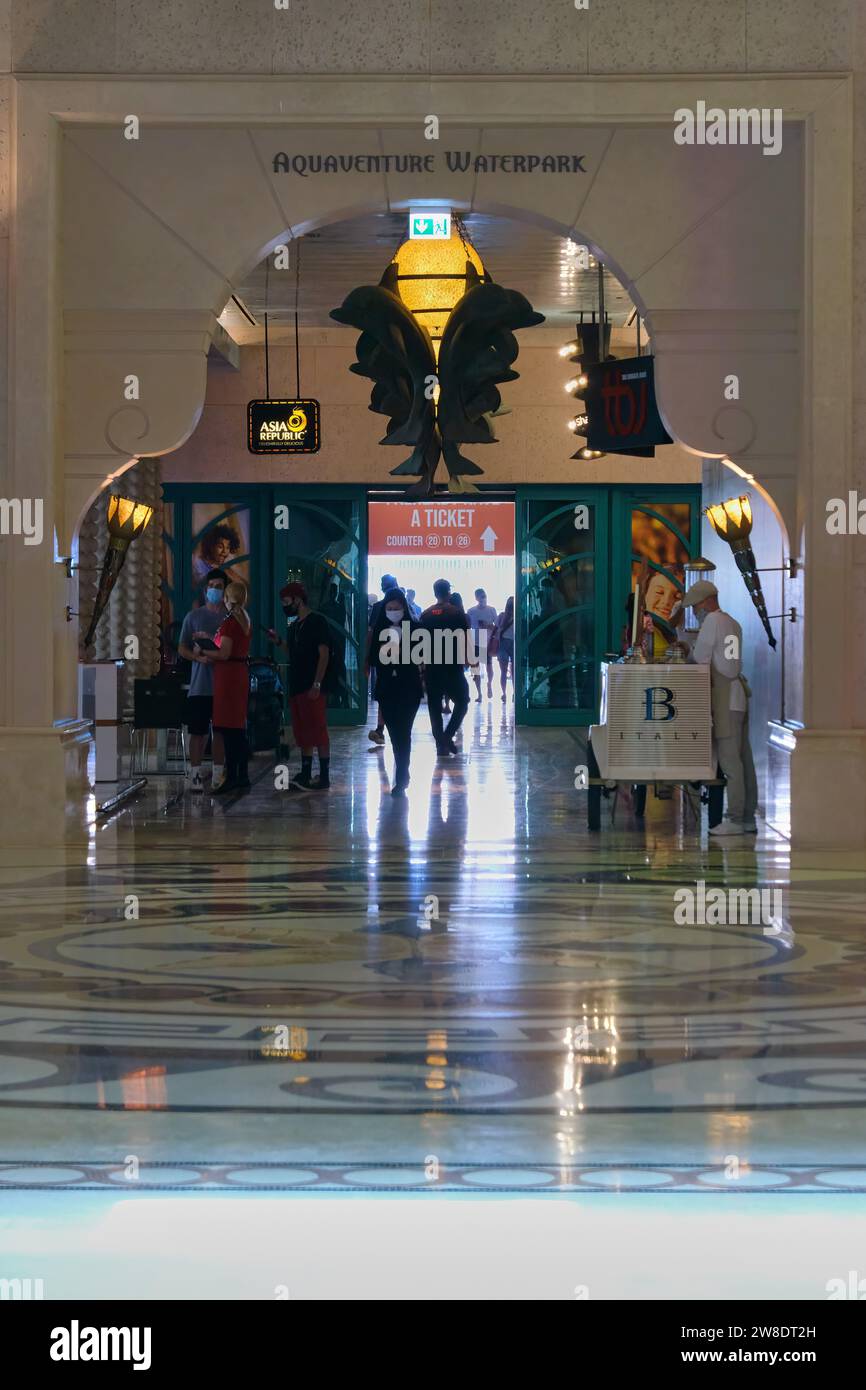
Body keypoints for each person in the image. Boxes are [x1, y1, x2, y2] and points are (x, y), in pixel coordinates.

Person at [682, 580, 758, 837]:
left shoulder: (712, 621)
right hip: (739, 695)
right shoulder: (732, 622)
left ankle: (734, 819)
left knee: (729, 762)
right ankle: (747, 818)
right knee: (744, 760)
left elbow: (700, 658)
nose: (695, 612)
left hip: (725, 698)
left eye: (695, 606)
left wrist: (687, 650)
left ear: (706, 602)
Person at [197, 579, 252, 795]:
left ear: (228, 598)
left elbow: (224, 653)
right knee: (237, 728)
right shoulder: (244, 618)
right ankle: (242, 774)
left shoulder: (230, 622)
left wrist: (204, 650)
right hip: (238, 675)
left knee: (228, 729)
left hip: (228, 676)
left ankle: (232, 776)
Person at [178, 568, 229, 792]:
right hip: (200, 685)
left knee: (220, 731)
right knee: (197, 732)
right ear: (205, 589)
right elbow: (182, 648)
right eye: (211, 586)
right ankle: (196, 774)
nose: (215, 590)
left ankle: (218, 773)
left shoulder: (229, 618)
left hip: (223, 684)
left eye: (219, 587)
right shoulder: (194, 617)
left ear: (225, 590)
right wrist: (197, 657)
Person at [369, 588, 424, 796]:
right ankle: (403, 771)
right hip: (387, 688)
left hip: (408, 687)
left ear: (404, 608)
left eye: (396, 608)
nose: (393, 612)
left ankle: (401, 776)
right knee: (394, 734)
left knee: (404, 732)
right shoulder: (379, 630)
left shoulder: (415, 628)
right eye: (389, 608)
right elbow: (374, 658)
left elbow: (422, 655)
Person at [278, 581, 331, 792]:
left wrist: (317, 683)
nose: (285, 605)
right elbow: (292, 653)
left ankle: (324, 776)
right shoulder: (294, 627)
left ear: (298, 599)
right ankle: (306, 772)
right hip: (297, 685)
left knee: (317, 729)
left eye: (286, 601)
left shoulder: (317, 622)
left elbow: (324, 654)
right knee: (303, 731)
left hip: (312, 684)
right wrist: (278, 642)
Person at [420, 579, 472, 756]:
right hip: (452, 667)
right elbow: (465, 638)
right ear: (449, 593)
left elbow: (420, 642)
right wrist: (469, 659)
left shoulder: (426, 615)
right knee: (462, 701)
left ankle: (440, 745)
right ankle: (447, 736)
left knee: (434, 706)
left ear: (435, 593)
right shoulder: (456, 613)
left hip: (432, 667)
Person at [365, 574, 401, 746]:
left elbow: (371, 634)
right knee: (390, 692)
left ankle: (382, 728)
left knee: (385, 693)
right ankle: (385, 728)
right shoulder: (404, 607)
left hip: (385, 657)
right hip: (396, 658)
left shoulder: (379, 607)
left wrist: (367, 659)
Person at [467, 587, 498, 700]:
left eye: (484, 596)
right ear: (476, 598)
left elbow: (497, 627)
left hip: (487, 641)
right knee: (475, 668)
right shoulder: (471, 611)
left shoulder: (492, 610)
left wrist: (487, 625)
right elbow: (468, 627)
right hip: (475, 641)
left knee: (489, 666)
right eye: (481, 597)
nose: (483, 599)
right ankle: (479, 693)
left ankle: (489, 684)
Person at [495, 597, 515, 702]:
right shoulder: (518, 616)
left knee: (503, 672)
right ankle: (515, 693)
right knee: (514, 672)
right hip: (515, 644)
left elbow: (496, 629)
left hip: (503, 643)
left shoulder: (501, 616)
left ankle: (504, 694)